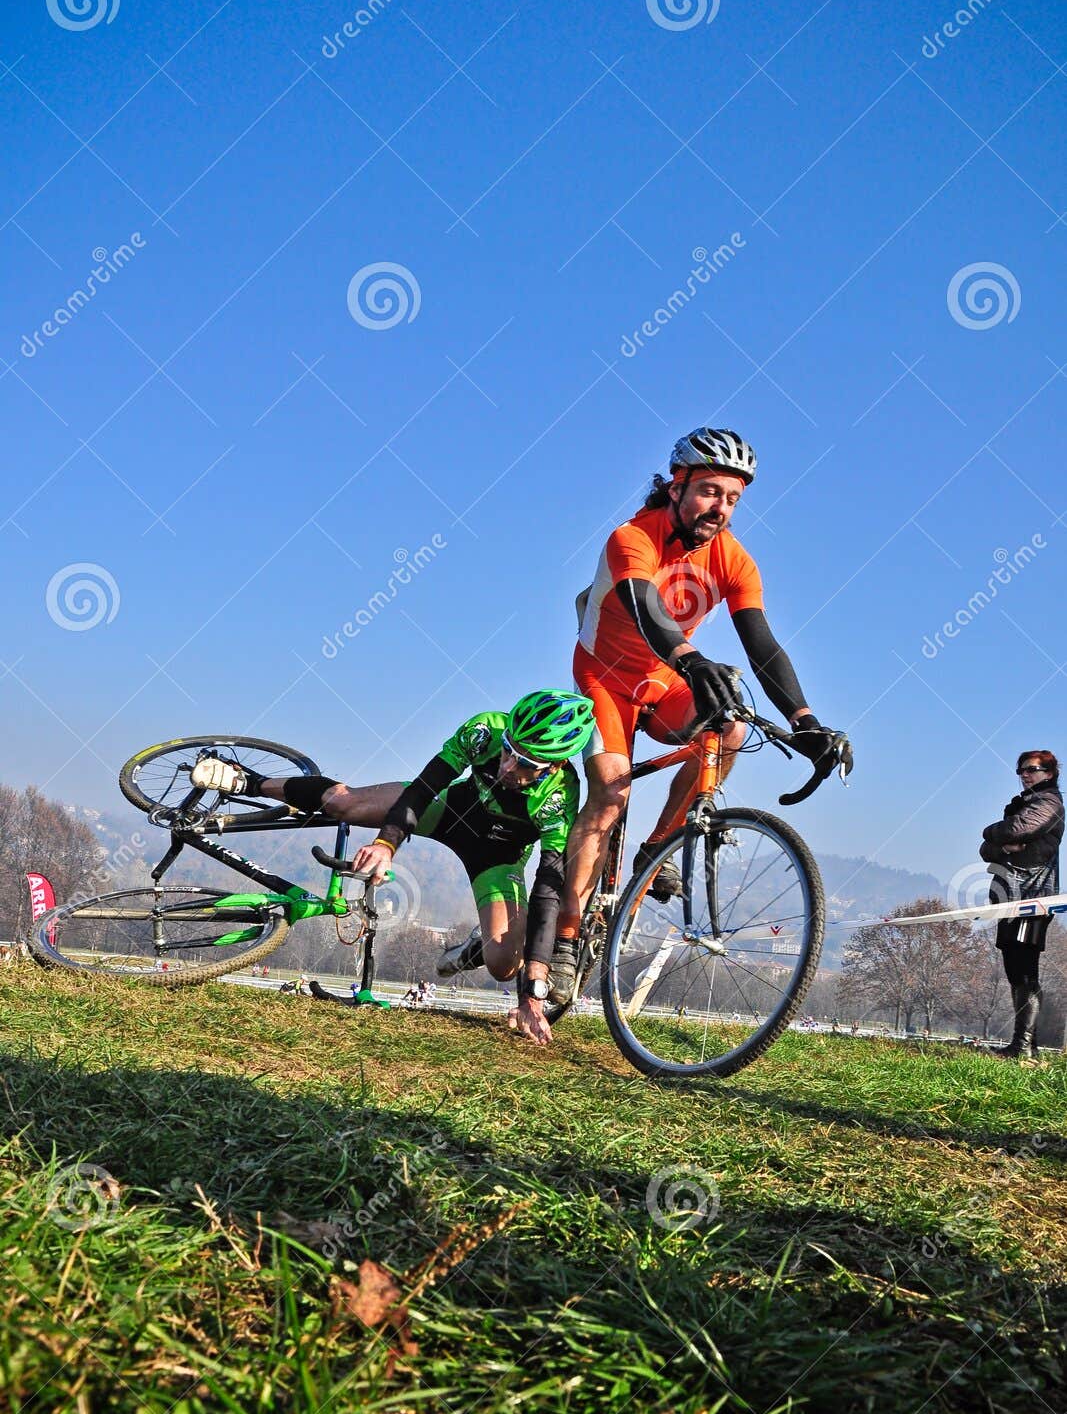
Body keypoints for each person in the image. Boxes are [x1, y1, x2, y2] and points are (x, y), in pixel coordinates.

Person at [549, 425, 850, 1003]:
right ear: (678, 484)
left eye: (734, 498)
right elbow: (643, 606)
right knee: (610, 792)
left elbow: (762, 644)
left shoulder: (734, 561)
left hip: (664, 683)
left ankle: (656, 847)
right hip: (604, 679)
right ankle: (565, 941)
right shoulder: (632, 536)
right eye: (711, 491)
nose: (722, 508)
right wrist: (690, 658)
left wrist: (806, 721)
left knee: (732, 726)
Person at [189, 690, 595, 1046]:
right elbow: (423, 788)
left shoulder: (561, 793)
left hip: (498, 856)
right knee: (341, 803)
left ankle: (479, 944)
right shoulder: (486, 730)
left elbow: (547, 889)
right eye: (509, 749)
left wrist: (532, 993)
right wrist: (386, 844)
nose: (508, 766)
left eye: (526, 764)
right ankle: (249, 780)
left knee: (503, 964)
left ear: (554, 766)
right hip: (450, 810)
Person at [980, 749, 1063, 1059]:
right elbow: (987, 850)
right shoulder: (1023, 804)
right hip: (1009, 895)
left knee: (1026, 972)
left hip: (1033, 897)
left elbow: (1014, 830)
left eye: (1032, 769)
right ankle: (1026, 1046)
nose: (1025, 774)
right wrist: (1001, 844)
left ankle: (1023, 1047)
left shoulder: (1048, 802)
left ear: (1049, 773)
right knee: (1015, 969)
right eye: (1022, 770)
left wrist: (992, 833)